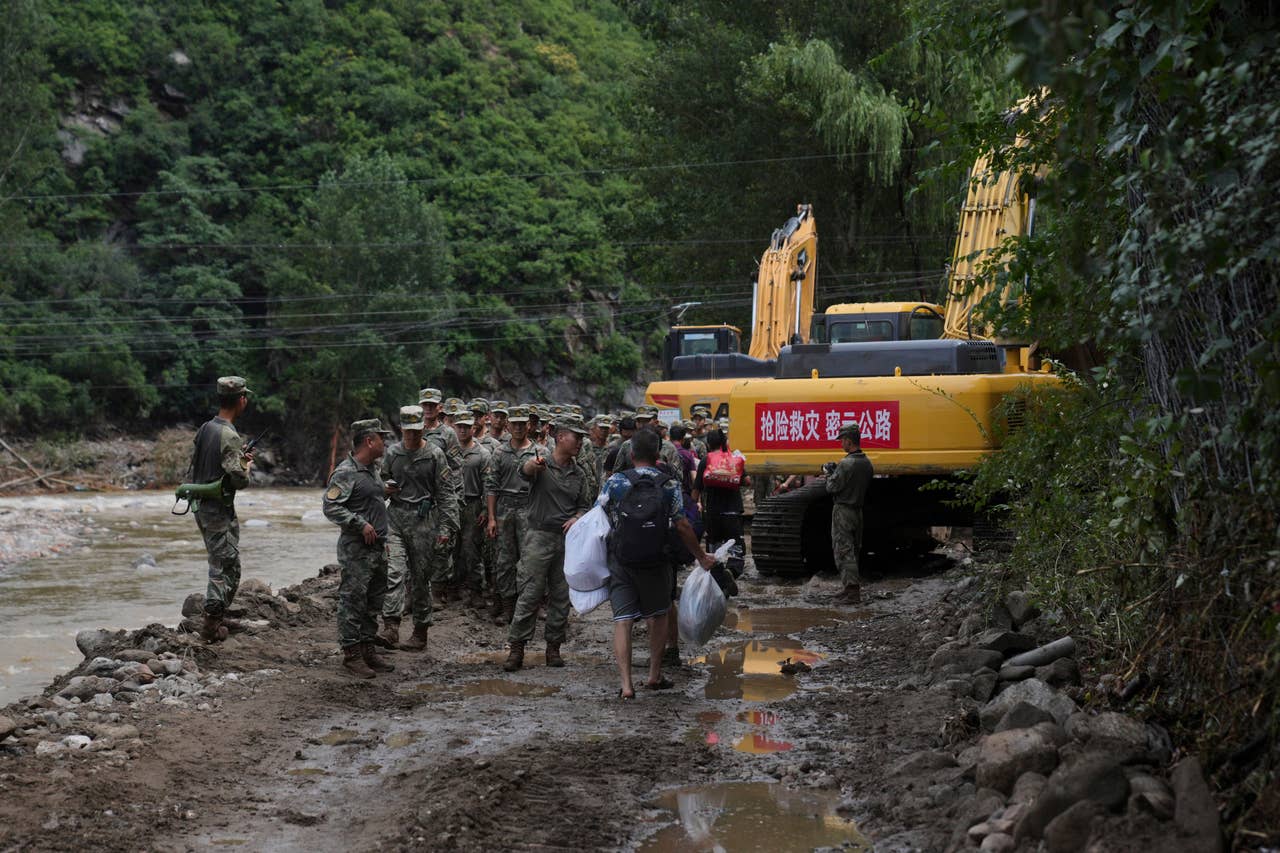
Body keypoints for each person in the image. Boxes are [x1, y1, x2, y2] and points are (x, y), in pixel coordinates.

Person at [603, 429, 716, 699]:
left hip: (622, 560)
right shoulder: (668, 484)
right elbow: (682, 524)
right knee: (658, 615)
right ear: (658, 456)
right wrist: (701, 556)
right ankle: (654, 675)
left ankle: (627, 685)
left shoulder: (615, 482)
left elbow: (601, 518)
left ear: (630, 455)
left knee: (623, 621)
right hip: (656, 559)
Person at [504, 416, 593, 671]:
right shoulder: (541, 462)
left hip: (567, 542)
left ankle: (553, 648)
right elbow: (525, 471)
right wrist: (533, 466)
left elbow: (584, 505)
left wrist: (577, 518)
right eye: (576, 437)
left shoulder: (579, 474)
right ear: (561, 437)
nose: (580, 442)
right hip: (538, 537)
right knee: (530, 593)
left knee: (561, 596)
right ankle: (517, 649)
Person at [377, 406, 458, 652]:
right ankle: (390, 626)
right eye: (407, 431)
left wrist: (447, 528)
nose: (411, 436)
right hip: (397, 518)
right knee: (394, 572)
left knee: (421, 580)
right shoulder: (392, 453)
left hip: (424, 522)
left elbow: (446, 493)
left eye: (415, 431)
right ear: (401, 429)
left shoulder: (435, 455)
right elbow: (379, 480)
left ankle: (420, 631)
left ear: (422, 428)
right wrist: (384, 489)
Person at [323, 418, 398, 679]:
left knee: (373, 600)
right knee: (353, 600)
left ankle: (368, 648)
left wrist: (385, 493)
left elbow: (367, 499)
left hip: (377, 547)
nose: (385, 442)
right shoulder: (346, 472)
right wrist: (360, 523)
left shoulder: (372, 470)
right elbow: (331, 506)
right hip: (357, 549)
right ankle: (351, 654)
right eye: (381, 438)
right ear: (369, 441)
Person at [189, 376, 255, 643]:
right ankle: (210, 628)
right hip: (217, 510)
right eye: (245, 397)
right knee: (222, 567)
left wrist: (239, 460)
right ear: (241, 400)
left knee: (229, 563)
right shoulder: (229, 434)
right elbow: (240, 480)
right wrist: (246, 465)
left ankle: (218, 615)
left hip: (203, 506)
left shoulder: (206, 428)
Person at [485, 405, 538, 626]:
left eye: (521, 423)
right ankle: (507, 607)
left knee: (529, 561)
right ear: (508, 425)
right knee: (504, 561)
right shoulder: (499, 452)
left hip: (528, 509)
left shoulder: (539, 452)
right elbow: (491, 486)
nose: (517, 427)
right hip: (504, 509)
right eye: (513, 423)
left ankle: (526, 608)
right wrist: (491, 517)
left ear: (528, 425)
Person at [419, 388, 462, 604]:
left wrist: (453, 497)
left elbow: (456, 467)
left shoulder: (448, 434)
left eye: (431, 405)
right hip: (416, 498)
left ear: (439, 408)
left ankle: (437, 593)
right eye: (424, 404)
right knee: (415, 544)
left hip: (440, 497)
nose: (427, 408)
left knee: (441, 546)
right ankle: (415, 592)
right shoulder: (414, 429)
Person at [824, 422, 874, 604]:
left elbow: (831, 487)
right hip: (857, 511)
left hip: (843, 510)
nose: (841, 444)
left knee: (843, 550)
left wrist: (829, 474)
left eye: (842, 440)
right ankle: (849, 587)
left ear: (848, 440)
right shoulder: (866, 463)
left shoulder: (846, 464)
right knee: (853, 549)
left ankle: (852, 591)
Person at [694, 429, 750, 578]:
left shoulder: (705, 460)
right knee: (736, 549)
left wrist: (694, 507)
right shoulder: (734, 458)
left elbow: (696, 490)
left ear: (708, 443)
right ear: (725, 442)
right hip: (732, 513)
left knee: (713, 551)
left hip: (712, 514)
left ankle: (717, 578)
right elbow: (747, 481)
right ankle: (731, 572)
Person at [453, 413, 491, 610]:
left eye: (466, 427)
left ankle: (476, 590)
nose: (462, 430)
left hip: (472, 504)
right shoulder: (448, 452)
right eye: (459, 426)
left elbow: (488, 484)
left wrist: (485, 509)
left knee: (471, 549)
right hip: (452, 504)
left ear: (473, 429)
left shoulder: (482, 453)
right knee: (452, 548)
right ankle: (455, 588)